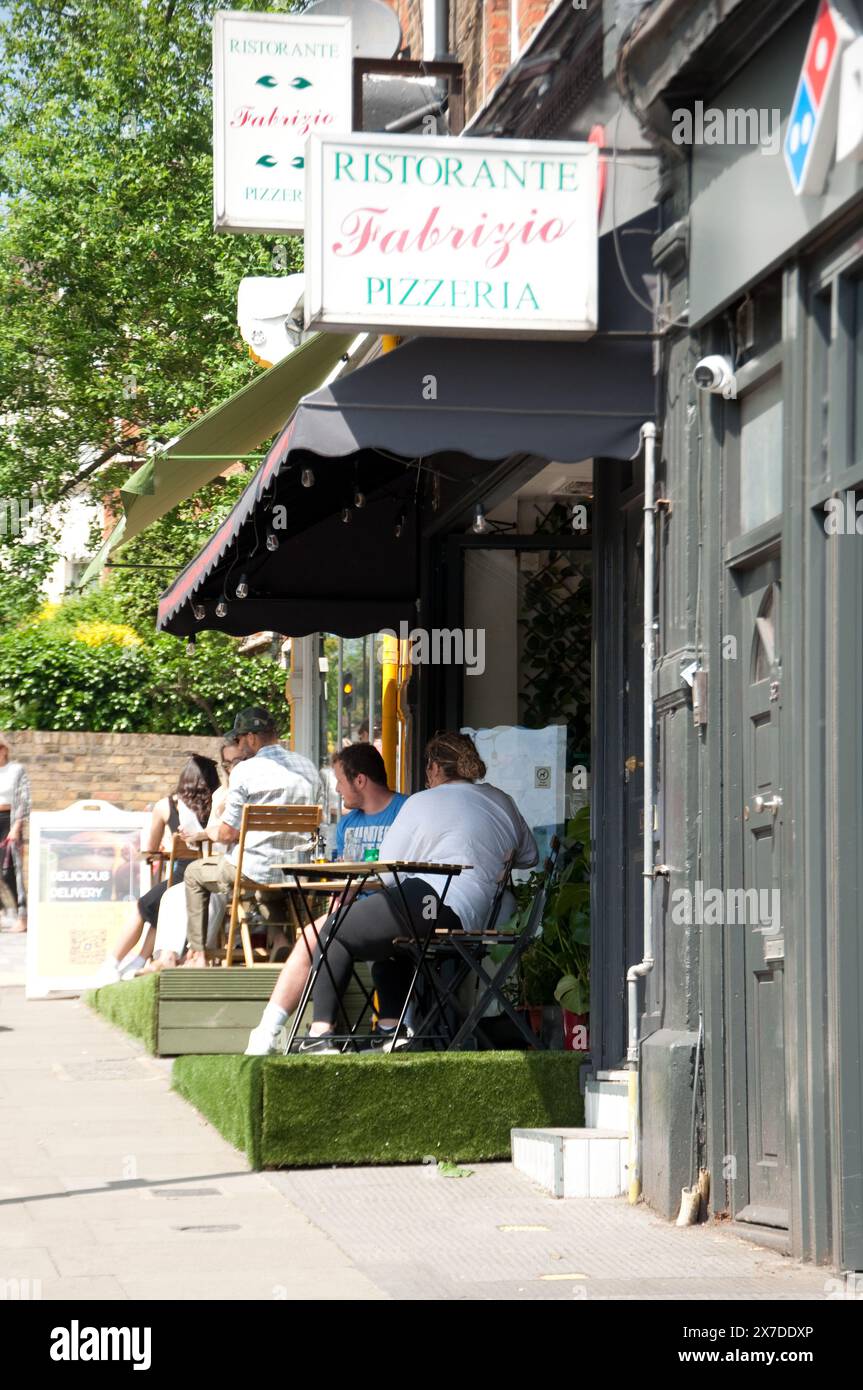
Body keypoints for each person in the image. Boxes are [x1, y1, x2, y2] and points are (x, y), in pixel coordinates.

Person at [244, 731, 538, 1055]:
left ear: (436, 767)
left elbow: (386, 869)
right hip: (476, 917)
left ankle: (320, 1034)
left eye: (428, 767)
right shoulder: (501, 799)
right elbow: (530, 857)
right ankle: (390, 1030)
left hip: (432, 902)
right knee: (393, 943)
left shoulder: (422, 802)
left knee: (334, 930)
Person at [245, 742, 406, 1051]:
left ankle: (322, 1032)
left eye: (340, 781)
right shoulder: (348, 823)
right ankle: (268, 1030)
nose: (336, 788)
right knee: (310, 935)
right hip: (354, 907)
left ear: (360, 780)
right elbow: (346, 878)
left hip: (394, 911)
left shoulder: (405, 810)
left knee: (330, 934)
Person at [182, 707, 322, 968]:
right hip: (298, 870)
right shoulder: (308, 768)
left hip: (253, 869)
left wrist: (211, 831)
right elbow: (320, 821)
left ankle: (198, 955)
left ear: (252, 738)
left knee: (193, 874)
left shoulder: (244, 772)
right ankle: (280, 942)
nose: (238, 745)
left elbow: (227, 834)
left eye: (239, 739)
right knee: (269, 877)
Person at [95, 752, 223, 983]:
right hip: (214, 875)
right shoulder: (220, 804)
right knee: (157, 906)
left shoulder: (167, 806)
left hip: (183, 877)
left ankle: (112, 963)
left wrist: (167, 845)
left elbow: (150, 847)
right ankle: (138, 960)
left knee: (142, 906)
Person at [0, 733, 31, 933]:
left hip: (9, 821)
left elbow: (24, 799)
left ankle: (23, 916)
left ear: (3, 749)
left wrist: (17, 826)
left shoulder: (16, 770)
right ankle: (2, 913)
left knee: (11, 870)